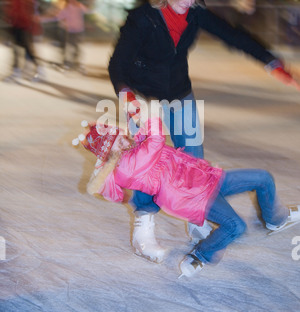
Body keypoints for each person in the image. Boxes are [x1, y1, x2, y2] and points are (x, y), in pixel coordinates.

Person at [108, 0, 300, 263]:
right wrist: (128, 96)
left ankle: (197, 218)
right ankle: (143, 228)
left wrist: (270, 61)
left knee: (194, 162)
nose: (190, 1)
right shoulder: (143, 19)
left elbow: (232, 35)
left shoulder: (195, 13)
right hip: (143, 99)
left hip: (180, 93)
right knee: (145, 166)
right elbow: (117, 64)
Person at [73, 107, 300, 276]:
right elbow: (156, 138)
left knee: (263, 178)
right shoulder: (126, 167)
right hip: (189, 196)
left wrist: (135, 126)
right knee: (236, 226)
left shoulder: (132, 151)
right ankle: (201, 255)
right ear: (109, 153)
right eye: (116, 140)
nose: (122, 138)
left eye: (119, 134)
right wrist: (142, 114)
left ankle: (275, 219)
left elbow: (145, 140)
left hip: (206, 178)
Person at [57, 0, 87, 71]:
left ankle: (76, 62)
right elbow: (59, 16)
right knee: (69, 46)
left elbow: (87, 11)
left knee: (76, 46)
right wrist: (64, 24)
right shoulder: (66, 7)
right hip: (70, 30)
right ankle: (68, 63)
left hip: (79, 30)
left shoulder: (79, 5)